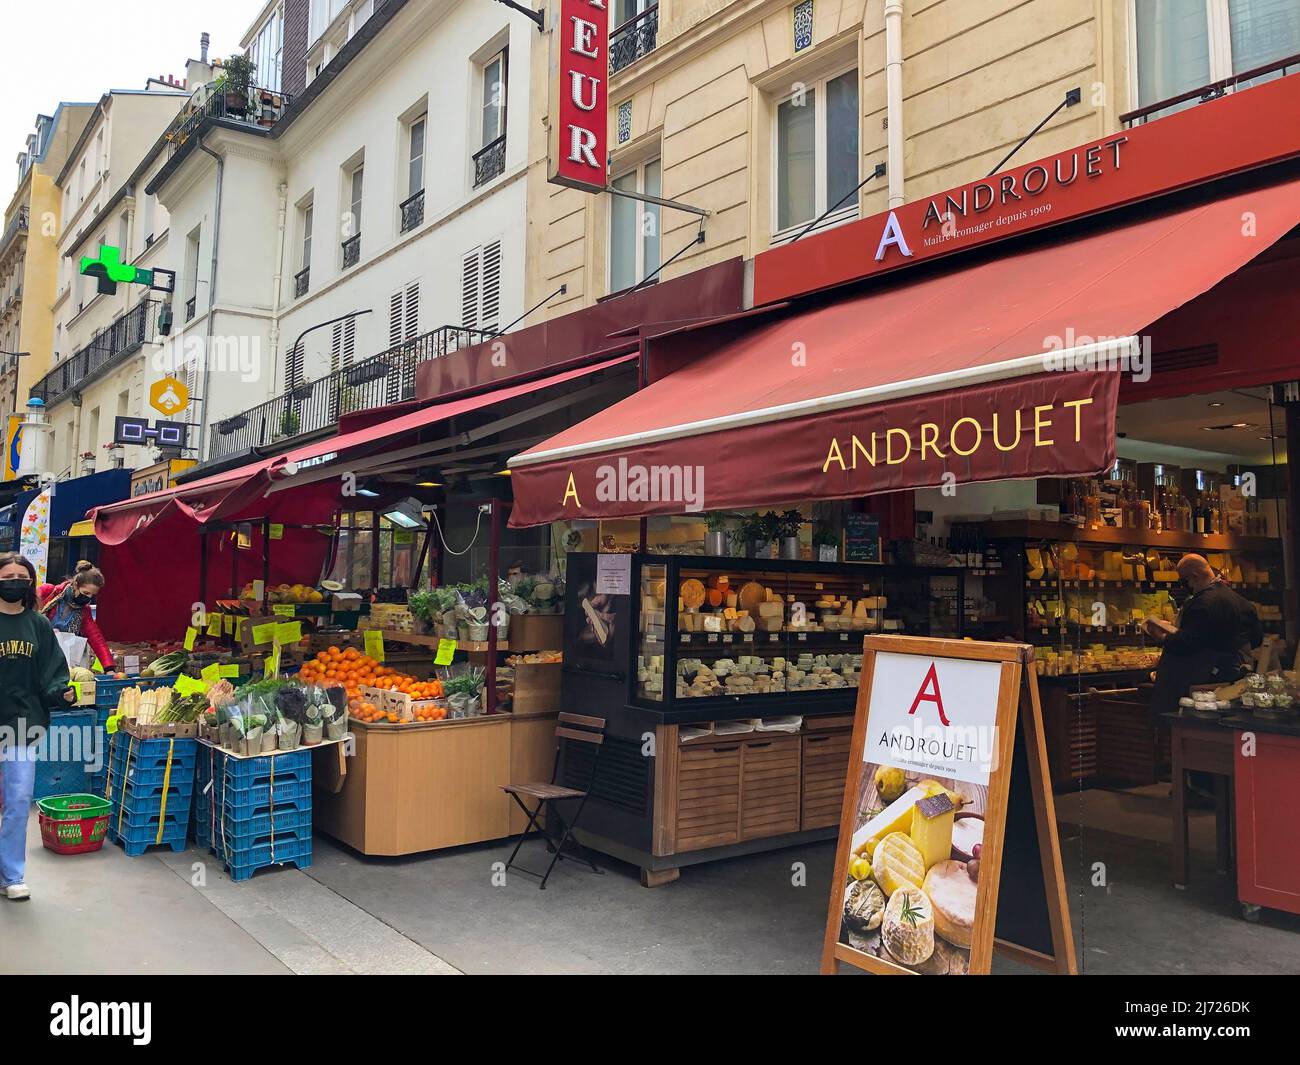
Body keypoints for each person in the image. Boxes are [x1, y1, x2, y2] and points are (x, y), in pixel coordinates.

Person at [0, 553, 75, 901]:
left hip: (22, 724)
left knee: (18, 799)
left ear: (30, 583)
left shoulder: (39, 626)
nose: (14, 581)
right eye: (7, 575)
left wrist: (63, 693)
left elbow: (52, 673)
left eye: (21, 576)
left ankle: (11, 874)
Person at [1145, 553, 1263, 719]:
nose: (1186, 586)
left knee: (1184, 729)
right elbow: (1256, 638)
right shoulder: (1241, 601)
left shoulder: (1202, 604)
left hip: (1199, 681)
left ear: (1194, 576)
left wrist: (1163, 636)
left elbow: (1189, 643)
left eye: (1185, 581)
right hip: (1233, 677)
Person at [38, 561, 114, 672]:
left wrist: (109, 667)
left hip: (60, 660)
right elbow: (28, 604)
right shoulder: (49, 592)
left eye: (92, 595)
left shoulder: (84, 611)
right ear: (75, 585)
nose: (88, 598)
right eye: (86, 593)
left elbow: (96, 637)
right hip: (36, 651)